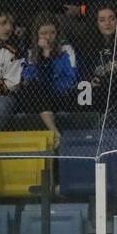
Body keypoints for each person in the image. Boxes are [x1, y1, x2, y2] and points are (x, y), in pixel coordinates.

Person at [19, 13, 81, 144]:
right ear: (36, 34)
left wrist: (48, 54)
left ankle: (53, 130)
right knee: (34, 88)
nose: (48, 37)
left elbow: (71, 79)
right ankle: (54, 131)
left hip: (60, 95)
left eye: (52, 32)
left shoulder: (66, 49)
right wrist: (44, 56)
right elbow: (28, 78)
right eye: (43, 33)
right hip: (38, 96)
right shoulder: (31, 52)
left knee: (40, 89)